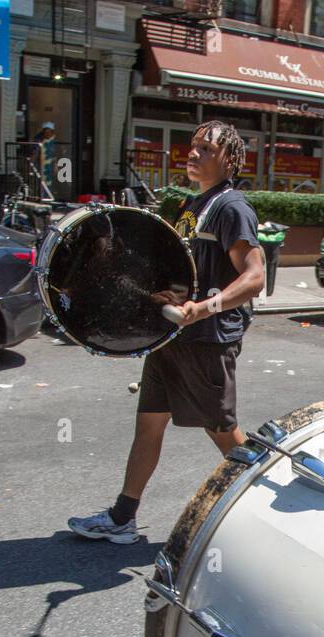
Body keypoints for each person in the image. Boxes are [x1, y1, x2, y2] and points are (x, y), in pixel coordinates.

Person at [67, 120, 266, 543]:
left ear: (228, 159)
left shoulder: (232, 208)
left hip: (205, 342)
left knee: (225, 434)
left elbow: (254, 277)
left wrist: (204, 308)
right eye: (192, 146)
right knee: (149, 425)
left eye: (205, 149)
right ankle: (123, 517)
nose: (193, 154)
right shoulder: (194, 206)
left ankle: (267, 514)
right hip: (173, 337)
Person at [34, 121, 56, 191]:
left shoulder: (53, 141)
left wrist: (55, 164)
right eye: (46, 132)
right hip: (41, 164)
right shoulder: (38, 140)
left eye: (49, 132)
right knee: (41, 182)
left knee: (49, 182)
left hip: (49, 165)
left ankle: (48, 196)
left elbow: (54, 153)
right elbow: (35, 152)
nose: (47, 134)